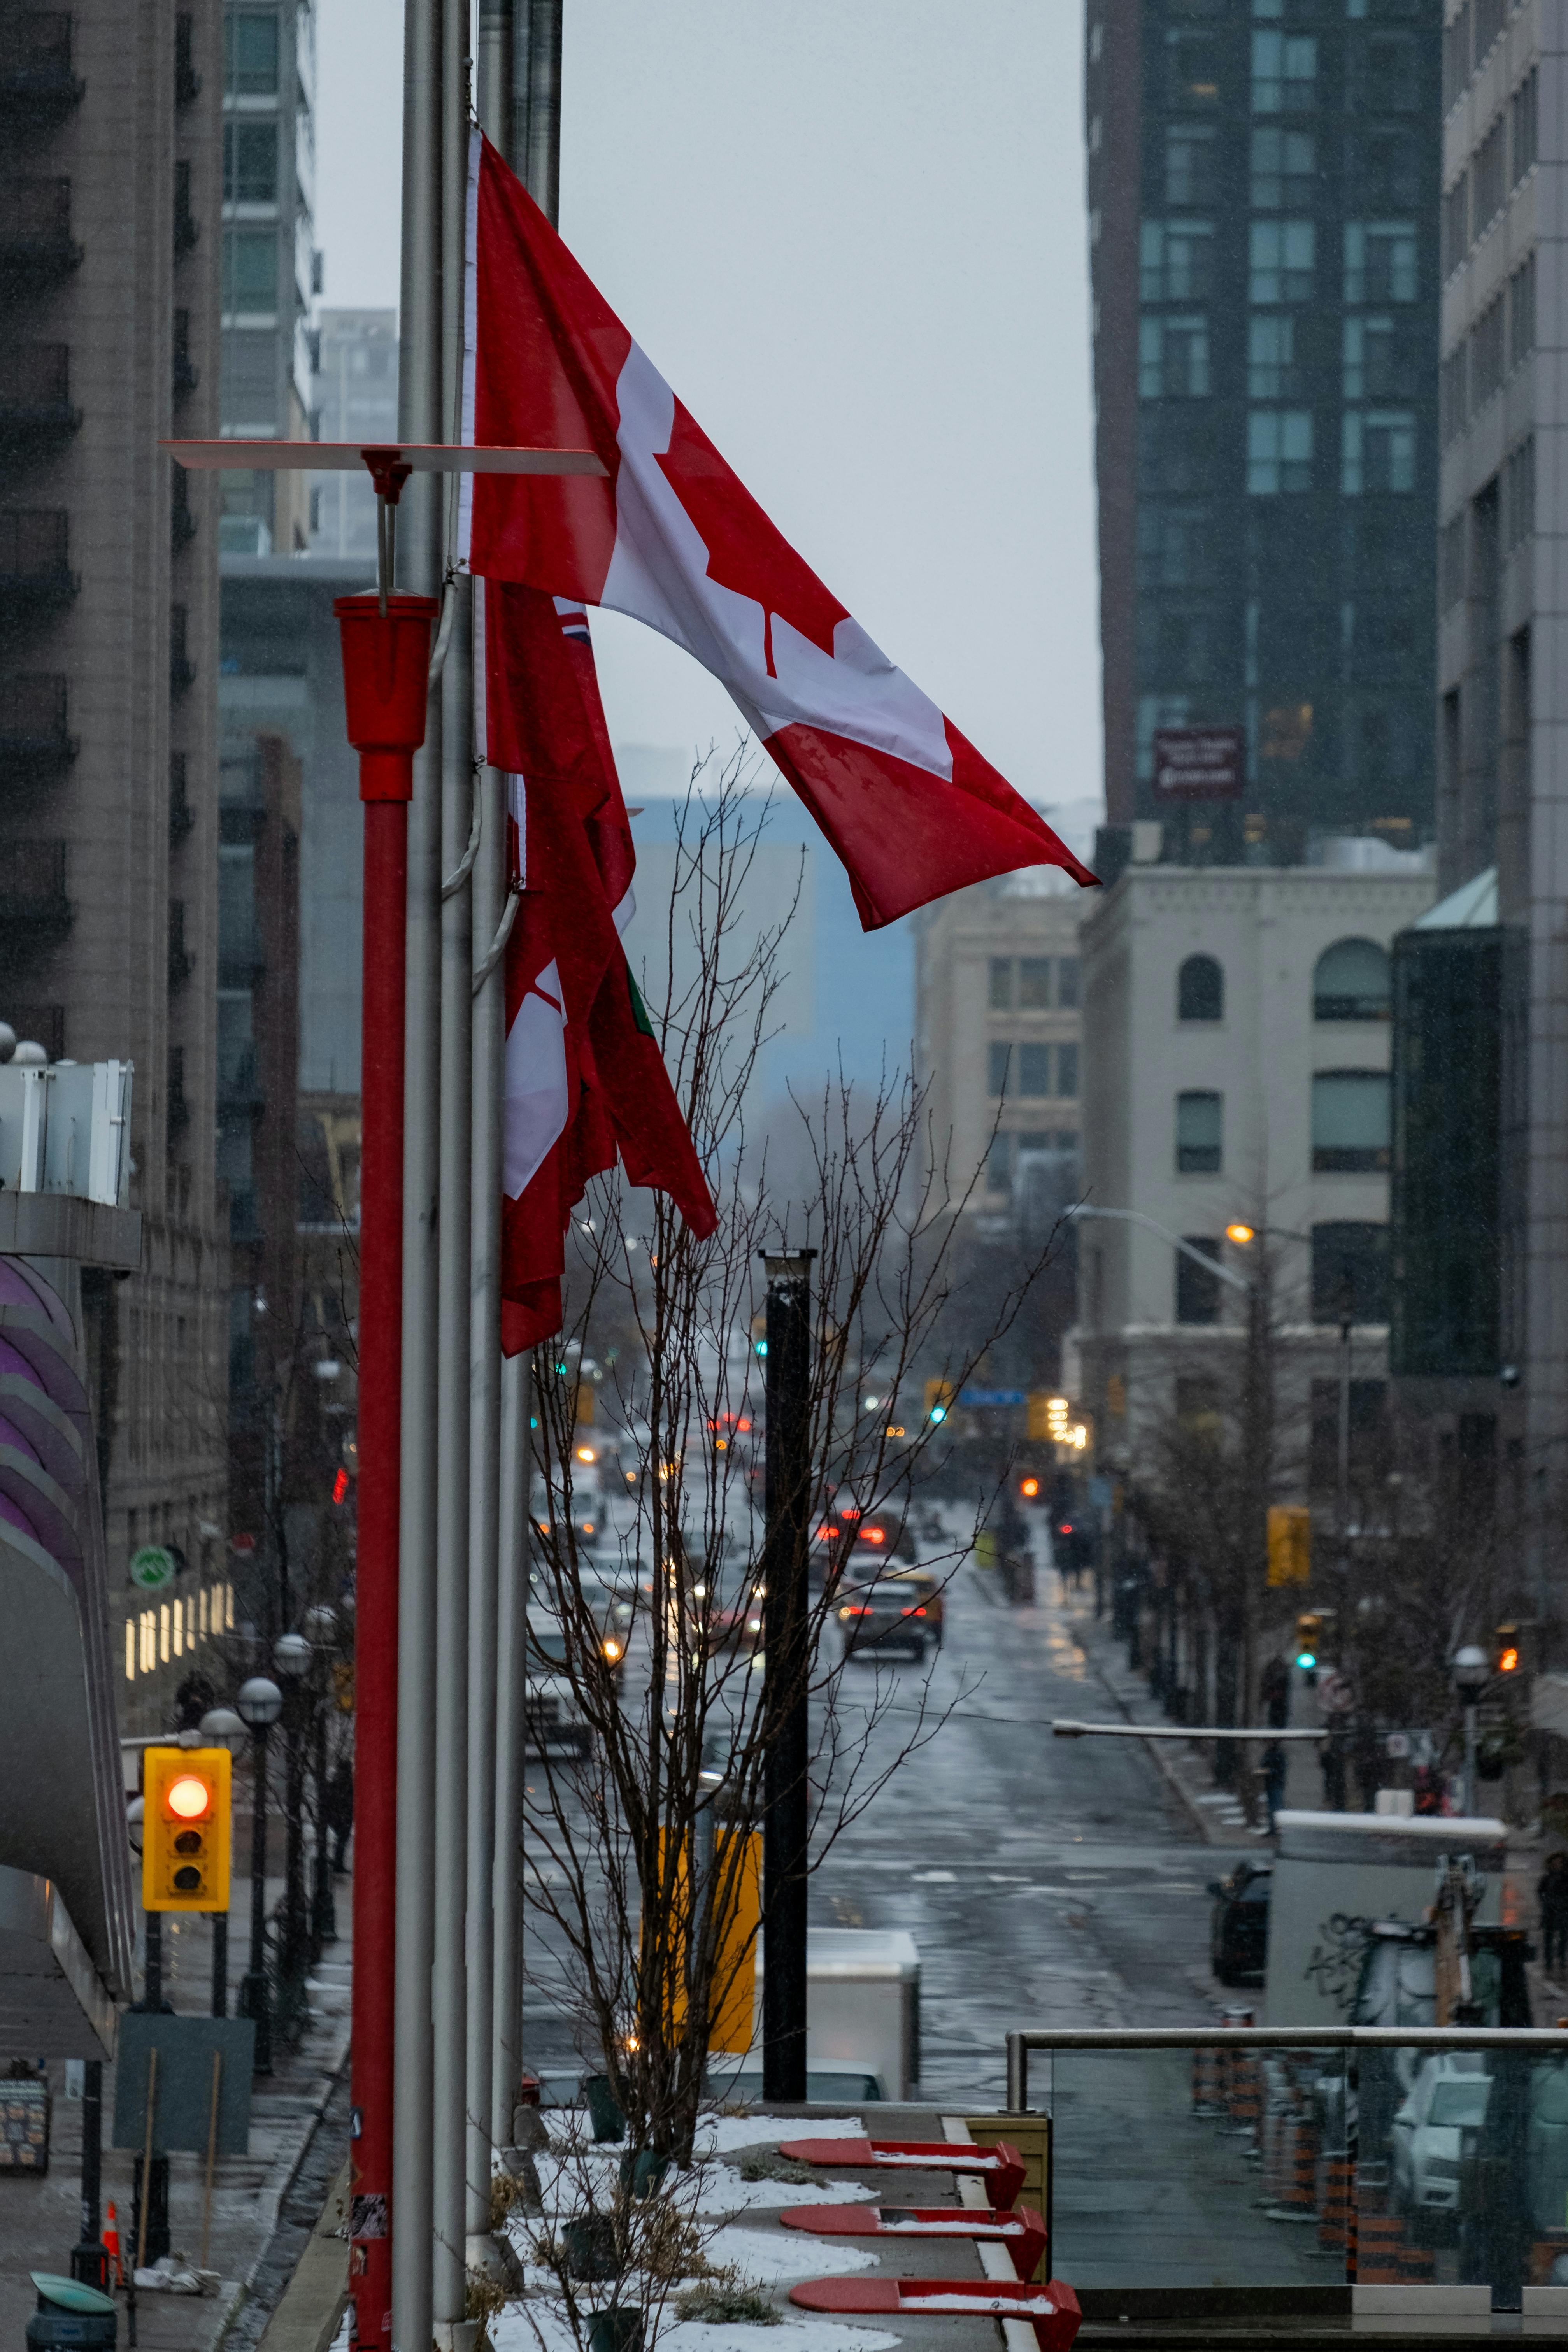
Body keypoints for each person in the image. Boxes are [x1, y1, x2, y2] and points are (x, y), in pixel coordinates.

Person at [1539, 1851, 1568, 1980]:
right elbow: (1541, 1892)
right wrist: (1547, 1903)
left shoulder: (1566, 1878)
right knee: (1549, 1939)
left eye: (1560, 1862)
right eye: (1555, 1862)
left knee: (1563, 1939)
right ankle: (1549, 1963)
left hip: (1563, 1912)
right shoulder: (1547, 1878)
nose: (1558, 1865)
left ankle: (1562, 1961)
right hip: (1550, 1912)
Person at [325, 1754, 354, 1873]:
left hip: (335, 1816)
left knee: (340, 1840)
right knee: (342, 1841)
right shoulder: (348, 1782)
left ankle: (337, 1863)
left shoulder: (335, 1782)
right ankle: (338, 1864)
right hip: (344, 1816)